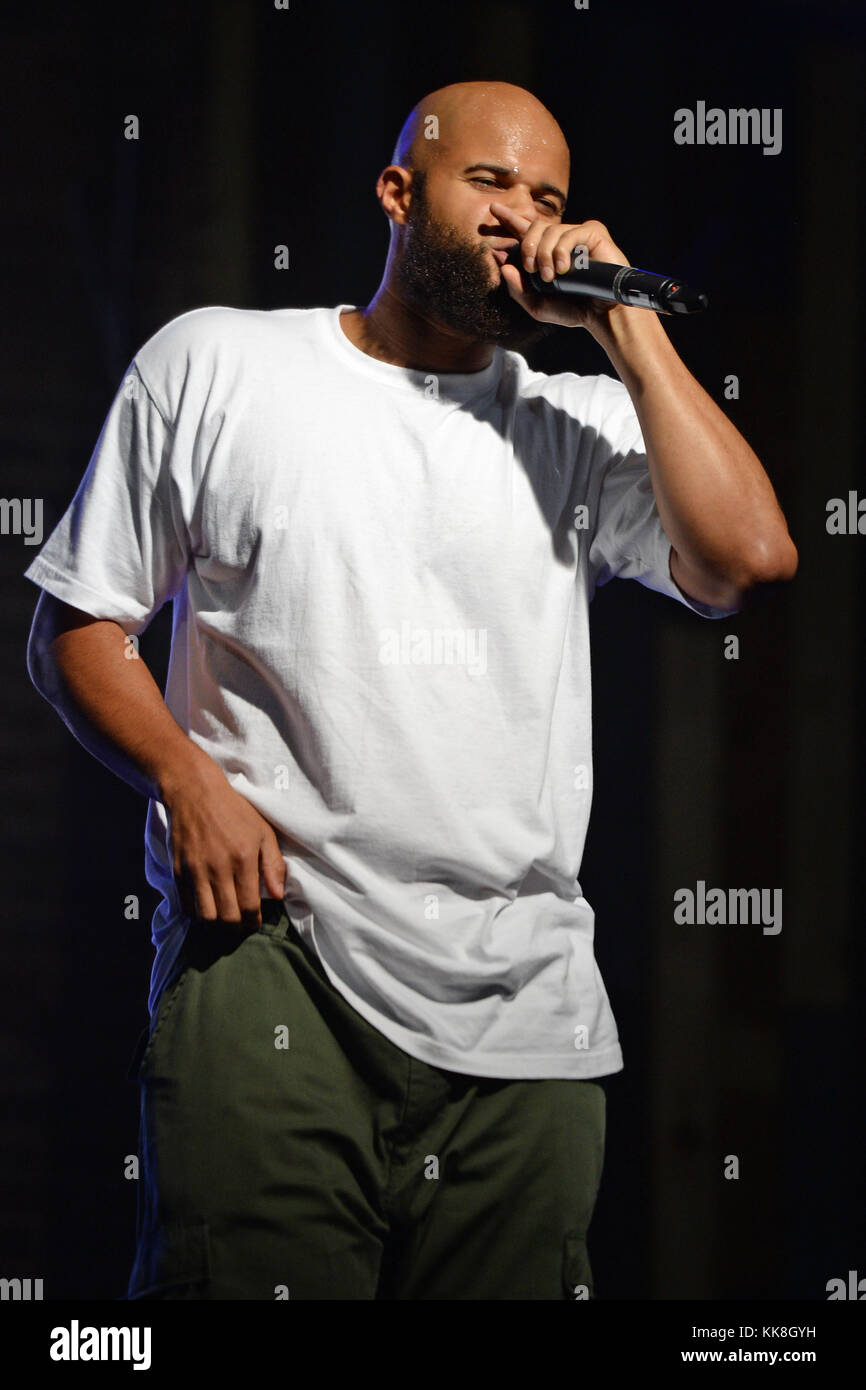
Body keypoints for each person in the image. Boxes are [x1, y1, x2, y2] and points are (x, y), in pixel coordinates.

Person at [24, 79, 797, 1300]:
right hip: (273, 959)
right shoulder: (220, 361)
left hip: (526, 1009)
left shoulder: (580, 423)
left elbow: (747, 560)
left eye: (545, 197)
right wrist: (185, 779)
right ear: (398, 192)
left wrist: (626, 326)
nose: (520, 217)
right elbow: (74, 626)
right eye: (488, 183)